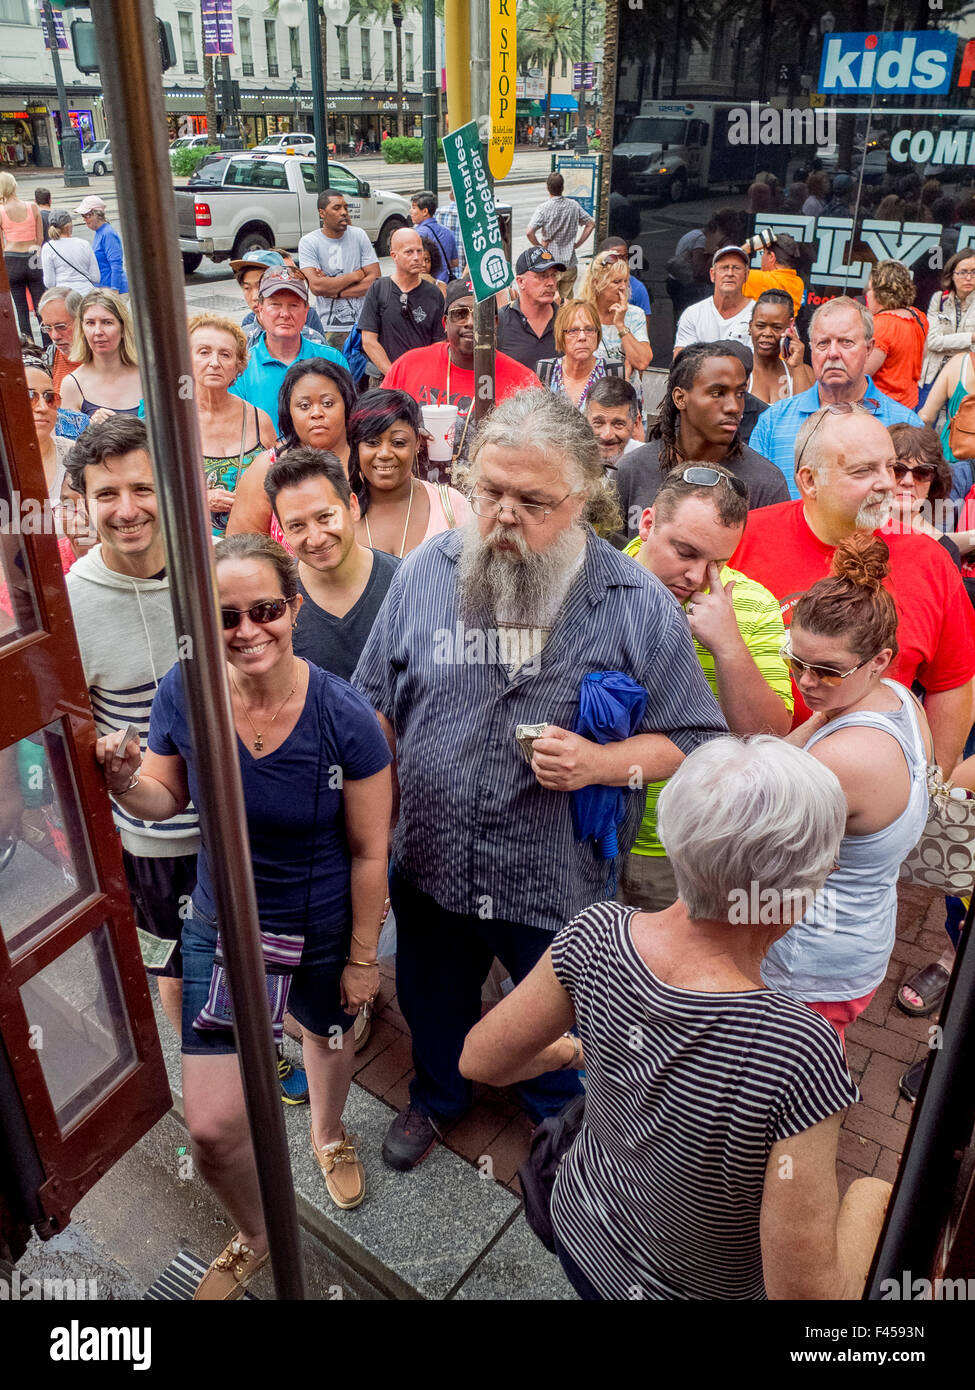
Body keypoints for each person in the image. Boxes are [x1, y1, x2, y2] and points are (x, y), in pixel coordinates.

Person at [353, 389, 727, 1171]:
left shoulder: (635, 605)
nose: (503, 516)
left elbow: (695, 741)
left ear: (585, 499)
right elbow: (373, 713)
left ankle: (557, 1126)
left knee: (558, 1023)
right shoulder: (425, 573)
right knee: (431, 999)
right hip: (431, 860)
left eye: (532, 500)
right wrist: (361, 842)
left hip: (554, 877)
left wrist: (600, 763)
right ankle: (437, 1097)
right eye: (489, 491)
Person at [459, 736, 890, 1300]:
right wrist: (869, 1202)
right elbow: (804, 1298)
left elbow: (480, 1059)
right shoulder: (799, 1048)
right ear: (799, 892)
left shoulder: (597, 933)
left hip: (582, 1235)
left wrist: (572, 1050)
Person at [97, 531, 392, 1293]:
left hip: (322, 927)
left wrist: (364, 958)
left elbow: (369, 851)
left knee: (324, 1040)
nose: (247, 630)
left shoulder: (345, 715)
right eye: (227, 617)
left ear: (293, 608)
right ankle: (258, 1230)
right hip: (220, 930)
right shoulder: (182, 691)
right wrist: (126, 781)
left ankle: (327, 1135)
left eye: (265, 609)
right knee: (211, 1130)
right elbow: (165, 797)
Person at [732, 406, 975, 773]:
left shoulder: (931, 561)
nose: (888, 484)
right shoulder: (740, 542)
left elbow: (952, 682)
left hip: (878, 796)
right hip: (757, 788)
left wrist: (929, 781)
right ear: (809, 480)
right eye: (863, 471)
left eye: (889, 467)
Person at [64, 417, 199, 1044]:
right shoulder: (72, 605)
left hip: (247, 814)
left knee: (260, 941)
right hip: (156, 837)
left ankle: (263, 1041)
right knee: (175, 961)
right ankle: (203, 1050)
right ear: (83, 503)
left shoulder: (212, 567)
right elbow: (77, 734)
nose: (127, 510)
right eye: (106, 495)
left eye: (142, 489)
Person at [767, 534, 931, 1039]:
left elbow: (749, 825)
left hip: (807, 964)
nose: (806, 682)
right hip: (857, 941)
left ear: (879, 660)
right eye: (795, 661)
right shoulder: (898, 699)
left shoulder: (843, 759)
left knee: (779, 1093)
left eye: (828, 671)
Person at [618, 466, 792, 911]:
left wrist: (729, 645)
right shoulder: (598, 580)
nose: (697, 577)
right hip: (584, 830)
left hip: (683, 846)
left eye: (717, 563)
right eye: (685, 552)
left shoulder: (750, 602)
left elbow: (769, 737)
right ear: (648, 522)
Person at [749, 297, 923, 501]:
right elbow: (754, 505)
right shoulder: (773, 422)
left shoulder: (907, 425)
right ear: (811, 348)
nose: (833, 353)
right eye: (823, 343)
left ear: (868, 349)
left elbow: (915, 512)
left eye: (846, 342)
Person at [615, 343, 790, 540]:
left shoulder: (766, 483)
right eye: (717, 393)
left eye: (740, 394)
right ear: (680, 398)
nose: (734, 407)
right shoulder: (632, 471)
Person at [265, 445, 400, 683]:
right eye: (297, 525)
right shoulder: (273, 603)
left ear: (353, 507)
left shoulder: (405, 583)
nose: (316, 538)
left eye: (326, 517)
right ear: (283, 530)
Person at [382, 279, 543, 472]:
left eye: (480, 314)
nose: (470, 322)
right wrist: (406, 435)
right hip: (417, 492)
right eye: (460, 314)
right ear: (445, 323)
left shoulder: (523, 381)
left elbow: (539, 449)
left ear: (495, 323)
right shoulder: (408, 365)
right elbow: (375, 424)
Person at [226, 357, 357, 539]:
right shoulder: (268, 467)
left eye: (327, 403)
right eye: (304, 406)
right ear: (289, 412)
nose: (316, 413)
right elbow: (242, 548)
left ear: (347, 405)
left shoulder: (368, 461)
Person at [347, 388, 470, 557]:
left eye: (398, 443)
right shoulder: (338, 513)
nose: (384, 453)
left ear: (418, 443)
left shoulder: (451, 504)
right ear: (356, 446)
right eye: (372, 442)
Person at [229, 265, 347, 434]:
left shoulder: (332, 359)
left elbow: (347, 419)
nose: (284, 314)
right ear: (261, 310)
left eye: (293, 305)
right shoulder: (241, 368)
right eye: (275, 305)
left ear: (306, 311)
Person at [189, 314, 277, 536]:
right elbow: (148, 491)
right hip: (192, 545)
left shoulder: (259, 420)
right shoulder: (170, 422)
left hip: (250, 548)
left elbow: (278, 482)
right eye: (204, 352)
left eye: (225, 354)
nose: (214, 362)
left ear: (238, 366)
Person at [358, 227, 446, 380]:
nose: (417, 257)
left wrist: (420, 376)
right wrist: (394, 375)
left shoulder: (434, 294)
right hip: (384, 379)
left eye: (419, 251)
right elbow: (368, 340)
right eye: (409, 252)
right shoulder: (379, 288)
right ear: (394, 256)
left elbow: (439, 344)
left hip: (422, 379)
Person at [298, 188, 379, 348]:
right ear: (322, 213)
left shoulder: (359, 235)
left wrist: (337, 291)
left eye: (345, 207)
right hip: (329, 328)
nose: (343, 212)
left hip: (364, 326)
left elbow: (374, 280)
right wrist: (355, 276)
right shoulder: (309, 242)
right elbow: (317, 286)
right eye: (336, 208)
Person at [60, 288, 142, 421]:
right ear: (82, 329)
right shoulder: (72, 385)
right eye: (90, 323)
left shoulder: (147, 376)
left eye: (107, 322)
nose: (98, 331)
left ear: (122, 328)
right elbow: (68, 441)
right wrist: (91, 427)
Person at [887, 423, 961, 564]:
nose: (908, 481)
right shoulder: (853, 537)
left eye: (921, 473)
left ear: (934, 481)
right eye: (897, 470)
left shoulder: (945, 551)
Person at [578, 249, 652, 382]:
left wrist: (620, 325)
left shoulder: (635, 315)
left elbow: (642, 362)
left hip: (627, 396)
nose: (623, 287)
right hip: (592, 394)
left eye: (625, 281)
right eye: (616, 282)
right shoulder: (580, 315)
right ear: (596, 283)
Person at [535, 299, 624, 409]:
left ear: (598, 334)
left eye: (589, 329)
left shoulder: (611, 372)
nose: (582, 337)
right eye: (573, 330)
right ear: (561, 336)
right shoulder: (546, 371)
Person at [863, 260, 928, 410]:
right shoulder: (918, 316)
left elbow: (863, 373)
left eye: (870, 288)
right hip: (908, 404)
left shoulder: (882, 325)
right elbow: (922, 356)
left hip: (879, 407)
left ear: (880, 293)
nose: (867, 293)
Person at [230, 248, 326, 345]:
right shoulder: (241, 340)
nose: (254, 297)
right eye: (247, 288)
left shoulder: (313, 339)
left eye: (260, 286)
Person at [525, 171, 595, 301]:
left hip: (550, 264)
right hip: (570, 263)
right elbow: (590, 223)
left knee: (551, 301)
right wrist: (578, 243)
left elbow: (529, 232)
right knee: (567, 302)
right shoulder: (573, 205)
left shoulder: (543, 208)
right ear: (563, 187)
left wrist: (540, 246)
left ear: (547, 188)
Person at [919, 249, 975, 407]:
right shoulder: (939, 299)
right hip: (933, 374)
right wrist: (970, 337)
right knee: (924, 422)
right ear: (952, 275)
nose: (969, 277)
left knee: (957, 424)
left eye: (974, 272)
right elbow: (933, 342)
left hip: (966, 378)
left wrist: (947, 342)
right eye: (963, 272)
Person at [674, 245, 754, 353]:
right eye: (724, 268)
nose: (730, 273)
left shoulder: (758, 315)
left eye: (736, 268)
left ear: (746, 275)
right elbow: (681, 362)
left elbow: (760, 364)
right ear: (712, 274)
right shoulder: (693, 314)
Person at [496, 246, 561, 374]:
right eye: (542, 276)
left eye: (553, 275)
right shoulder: (501, 321)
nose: (551, 283)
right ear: (520, 282)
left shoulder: (567, 320)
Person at [746, 288, 814, 403]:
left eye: (776, 327)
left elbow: (806, 414)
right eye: (760, 326)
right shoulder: (739, 372)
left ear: (790, 328)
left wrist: (797, 366)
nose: (767, 333)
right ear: (750, 326)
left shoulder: (803, 371)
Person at [0, 170, 44, 340]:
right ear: (14, 186)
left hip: (12, 259)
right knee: (40, 306)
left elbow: (1, 245)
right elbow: (40, 238)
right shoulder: (32, 207)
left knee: (21, 309)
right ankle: (49, 347)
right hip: (33, 256)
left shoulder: (1, 211)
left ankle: (29, 345)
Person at [584, 377, 642, 477]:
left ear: (635, 423)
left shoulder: (649, 463)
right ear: (584, 421)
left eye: (618, 424)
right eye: (598, 423)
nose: (607, 435)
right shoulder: (566, 460)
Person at [741, 231, 805, 315]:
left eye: (763, 253)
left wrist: (748, 247)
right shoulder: (798, 283)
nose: (762, 257)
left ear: (771, 257)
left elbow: (724, 268)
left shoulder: (759, 279)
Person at [74, 195, 128, 295]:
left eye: (87, 215)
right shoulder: (100, 232)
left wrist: (115, 289)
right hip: (104, 289)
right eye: (83, 216)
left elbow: (116, 264)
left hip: (113, 290)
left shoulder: (107, 234)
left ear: (97, 215)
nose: (84, 219)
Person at [40, 210, 99, 296]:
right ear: (69, 226)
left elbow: (49, 283)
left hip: (63, 296)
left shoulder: (48, 248)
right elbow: (95, 277)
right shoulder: (84, 244)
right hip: (86, 294)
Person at [596, 236, 652, 321]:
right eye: (614, 257)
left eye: (624, 257)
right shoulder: (588, 285)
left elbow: (643, 330)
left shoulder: (637, 288)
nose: (621, 262)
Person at [410, 190, 457, 283]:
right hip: (445, 284)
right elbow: (455, 262)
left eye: (414, 207)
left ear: (425, 211)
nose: (410, 211)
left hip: (425, 285)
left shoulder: (416, 235)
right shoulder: (448, 232)